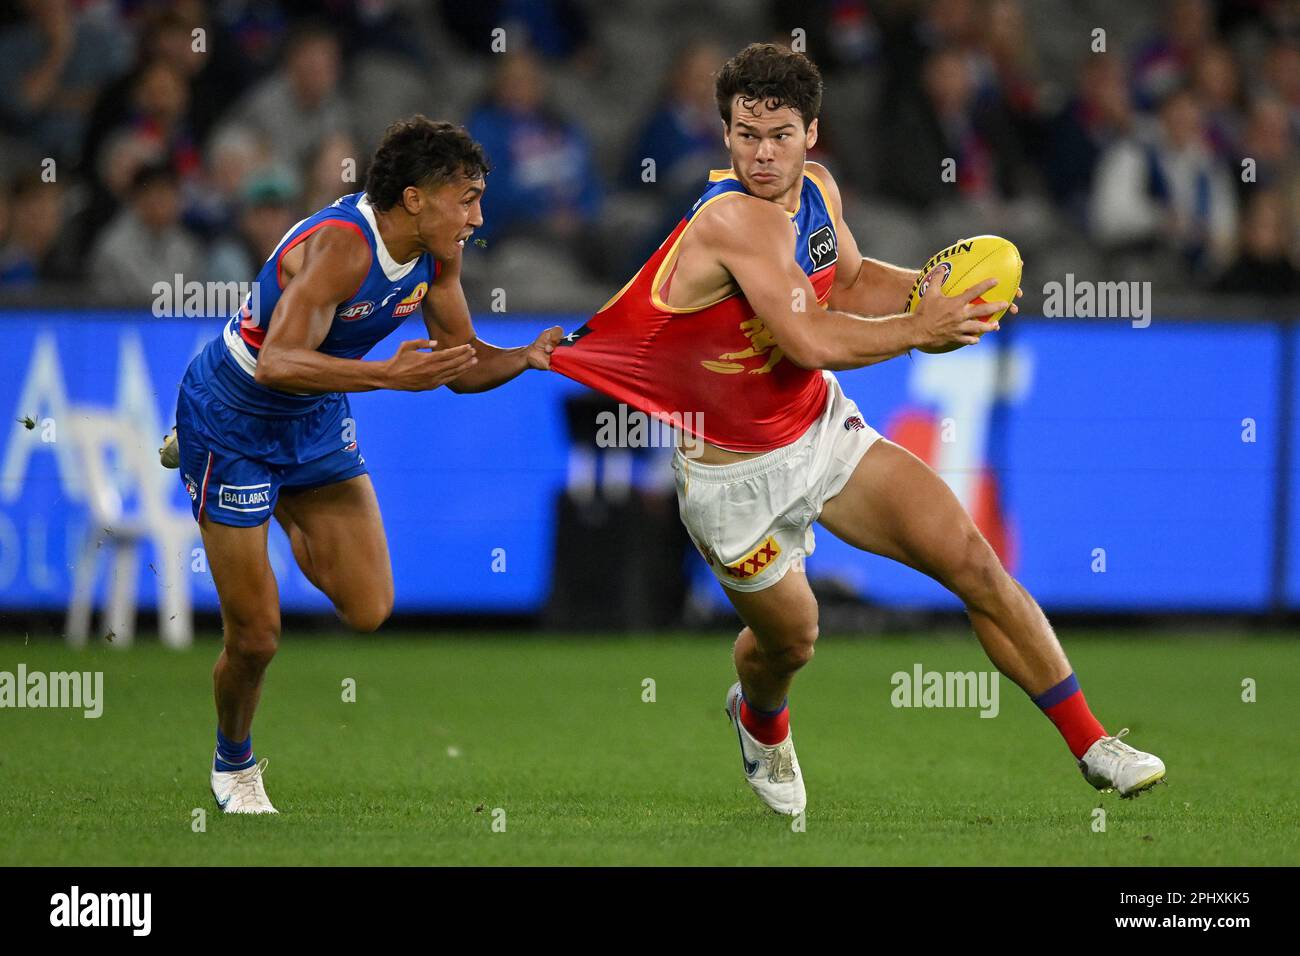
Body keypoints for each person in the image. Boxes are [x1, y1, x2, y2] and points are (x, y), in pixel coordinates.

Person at [551, 43, 1165, 815]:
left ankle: (1094, 744)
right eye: (745, 133)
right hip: (732, 479)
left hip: (818, 431)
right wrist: (919, 331)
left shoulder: (816, 190)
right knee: (792, 642)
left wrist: (942, 296)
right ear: (726, 133)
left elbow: (850, 280)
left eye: (778, 133)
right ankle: (760, 718)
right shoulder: (731, 220)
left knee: (972, 563)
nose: (762, 152)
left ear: (812, 132)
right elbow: (809, 338)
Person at [164, 116, 563, 813]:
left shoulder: (439, 255)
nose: (477, 215)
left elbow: (460, 365)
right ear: (415, 198)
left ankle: (271, 499)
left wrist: (526, 357)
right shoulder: (344, 249)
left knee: (370, 606)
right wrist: (385, 377)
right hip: (237, 413)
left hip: (313, 416)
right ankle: (234, 764)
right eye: (466, 198)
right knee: (256, 637)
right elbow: (277, 361)